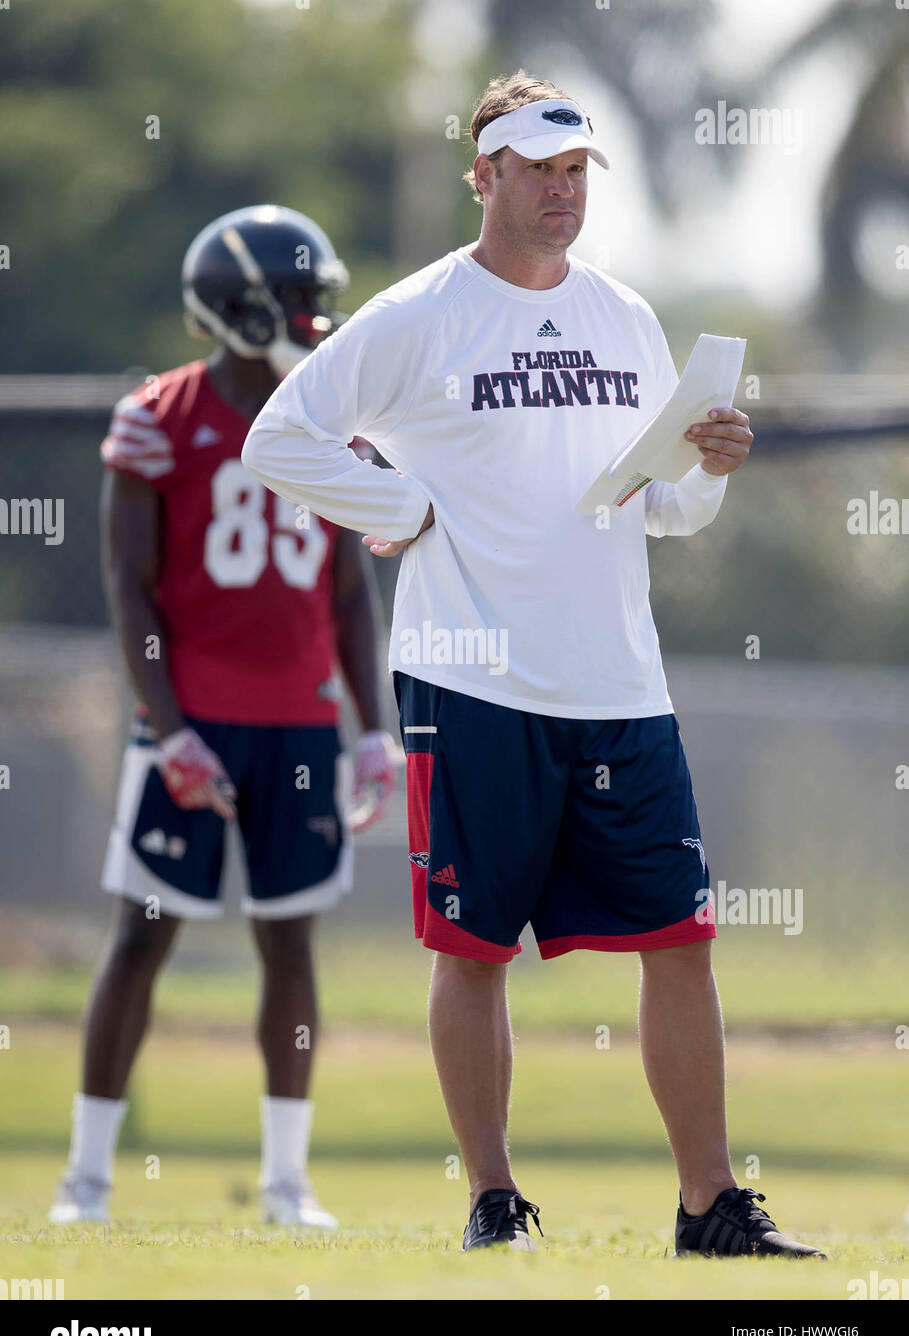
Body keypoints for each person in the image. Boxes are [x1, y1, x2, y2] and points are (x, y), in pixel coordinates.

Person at [241, 76, 824, 1259]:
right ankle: (493, 1204)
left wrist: (708, 465)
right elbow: (278, 437)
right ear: (486, 175)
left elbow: (666, 511)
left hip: (621, 685)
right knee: (472, 948)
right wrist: (397, 502)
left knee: (683, 938)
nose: (563, 192)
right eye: (540, 169)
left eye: (577, 172)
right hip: (471, 685)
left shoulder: (623, 316)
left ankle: (710, 1207)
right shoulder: (417, 315)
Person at [50, 205, 396, 1231]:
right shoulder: (161, 417)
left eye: (317, 297)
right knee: (140, 937)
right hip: (194, 719)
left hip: (299, 727)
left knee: (290, 949)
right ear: (232, 308)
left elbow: (345, 593)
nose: (312, 316)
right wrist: (169, 728)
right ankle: (87, 1179)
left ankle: (287, 1182)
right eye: (294, 299)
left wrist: (369, 730)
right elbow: (129, 586)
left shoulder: (327, 421)